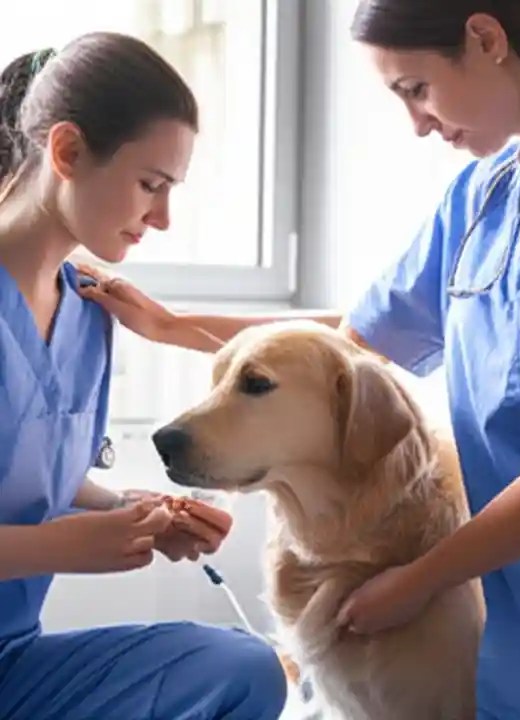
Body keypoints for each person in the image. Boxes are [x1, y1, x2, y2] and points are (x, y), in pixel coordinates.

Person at [76, 2, 520, 718]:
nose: (418, 123)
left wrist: (420, 579)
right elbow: (347, 346)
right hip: (507, 623)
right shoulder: (486, 195)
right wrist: (172, 325)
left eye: (416, 89)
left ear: (486, 38)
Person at [0, 34, 287, 719]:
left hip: (11, 660)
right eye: (150, 186)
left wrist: (133, 514)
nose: (161, 218)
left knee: (244, 670)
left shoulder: (90, 313)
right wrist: (51, 546)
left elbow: (36, 472)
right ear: (68, 151)